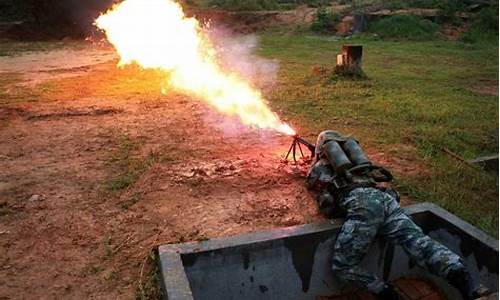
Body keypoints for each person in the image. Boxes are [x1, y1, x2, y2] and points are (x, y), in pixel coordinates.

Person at [306, 130, 489, 300]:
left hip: (363, 206)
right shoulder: (360, 165)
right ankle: (468, 282)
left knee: (343, 265)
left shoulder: (321, 165)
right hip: (386, 201)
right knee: (420, 244)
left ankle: (387, 293)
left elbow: (314, 187)